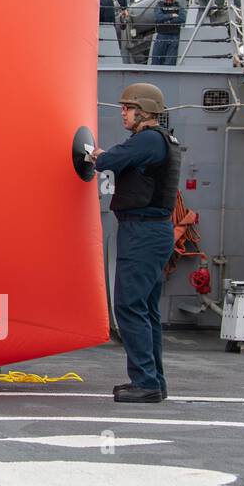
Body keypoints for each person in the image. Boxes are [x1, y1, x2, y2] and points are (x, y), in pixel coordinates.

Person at [91, 83, 180, 404]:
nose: (123, 113)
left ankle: (145, 382)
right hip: (152, 232)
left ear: (144, 111)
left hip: (142, 233)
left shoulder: (147, 140)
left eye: (127, 108)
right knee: (146, 309)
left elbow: (107, 161)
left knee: (128, 305)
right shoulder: (160, 141)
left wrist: (92, 153)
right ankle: (154, 380)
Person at [150, 0, 183, 65]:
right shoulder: (159, 5)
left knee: (170, 63)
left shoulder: (178, 6)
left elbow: (182, 18)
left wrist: (167, 20)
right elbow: (158, 17)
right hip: (161, 36)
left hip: (173, 37)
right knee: (156, 62)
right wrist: (172, 15)